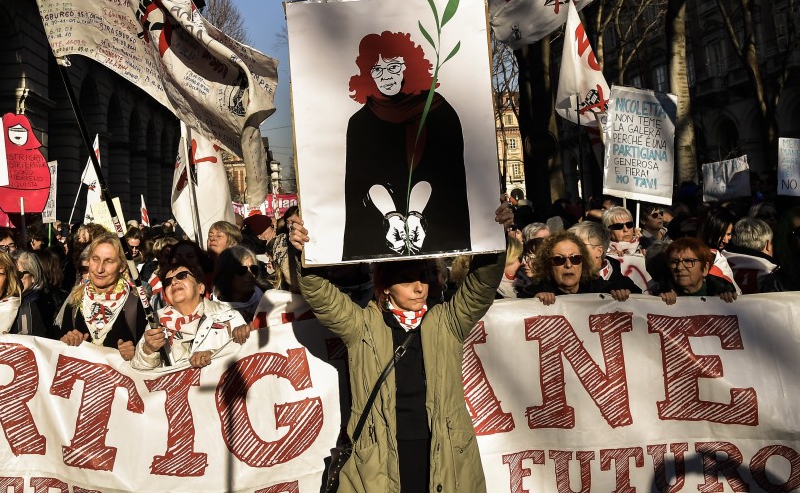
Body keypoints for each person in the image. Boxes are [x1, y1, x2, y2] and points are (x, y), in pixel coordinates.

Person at [287, 199, 510, 493]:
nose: (420, 288)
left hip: (443, 449)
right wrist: (304, 251)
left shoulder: (447, 321)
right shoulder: (362, 326)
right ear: (386, 286)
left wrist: (496, 238)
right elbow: (320, 295)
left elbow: (481, 287)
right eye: (407, 281)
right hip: (379, 454)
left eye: (424, 279)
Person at [342, 30, 470, 260]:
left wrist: (415, 215)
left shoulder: (440, 111)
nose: (386, 76)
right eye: (377, 69)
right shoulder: (360, 122)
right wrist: (391, 217)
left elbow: (446, 176)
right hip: (379, 241)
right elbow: (362, 182)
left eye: (393, 67)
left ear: (407, 67)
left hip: (437, 238)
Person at [132, 260, 248, 370]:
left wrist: (212, 355)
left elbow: (246, 357)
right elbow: (141, 373)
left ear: (200, 288)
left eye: (182, 276)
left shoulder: (228, 316)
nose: (174, 282)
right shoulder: (156, 323)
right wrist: (148, 350)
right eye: (167, 282)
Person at [55, 233, 143, 357]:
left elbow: (150, 359)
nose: (99, 269)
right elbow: (58, 353)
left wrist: (137, 354)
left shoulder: (135, 303)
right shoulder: (76, 299)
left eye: (109, 261)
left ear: (122, 266)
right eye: (95, 259)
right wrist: (65, 342)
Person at [520, 231, 636, 305]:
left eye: (575, 258)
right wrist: (534, 302)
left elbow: (637, 294)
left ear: (583, 262)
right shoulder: (535, 291)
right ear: (547, 265)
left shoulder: (594, 286)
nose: (568, 265)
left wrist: (620, 290)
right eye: (559, 260)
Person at [650, 237, 738, 305]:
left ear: (705, 268)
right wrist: (658, 302)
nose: (679, 267)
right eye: (674, 262)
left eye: (688, 261)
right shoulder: (659, 294)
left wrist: (729, 299)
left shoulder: (723, 292)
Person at [570, 221, 644, 296]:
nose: (572, 250)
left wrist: (625, 296)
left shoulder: (624, 286)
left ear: (599, 251)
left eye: (580, 245)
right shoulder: (566, 280)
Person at [212, 245, 265, 323]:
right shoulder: (212, 308)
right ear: (226, 273)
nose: (250, 275)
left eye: (253, 269)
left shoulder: (264, 299)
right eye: (242, 270)